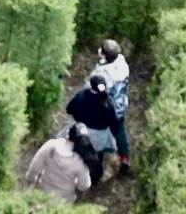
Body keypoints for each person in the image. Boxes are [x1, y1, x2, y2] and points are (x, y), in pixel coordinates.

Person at [89, 39, 132, 178]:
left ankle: (97, 165)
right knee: (119, 131)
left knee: (99, 134)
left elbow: (96, 90)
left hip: (105, 110)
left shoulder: (102, 73)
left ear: (104, 55)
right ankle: (124, 158)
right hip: (120, 106)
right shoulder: (122, 63)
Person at [26, 123, 98, 203]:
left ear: (67, 133)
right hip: (64, 199)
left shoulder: (52, 145)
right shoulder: (81, 161)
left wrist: (30, 181)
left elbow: (35, 165)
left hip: (43, 191)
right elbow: (84, 186)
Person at [65, 75, 119, 155]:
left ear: (91, 85)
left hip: (80, 133)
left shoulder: (81, 95)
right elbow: (114, 122)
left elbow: (69, 110)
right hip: (99, 139)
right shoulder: (108, 102)